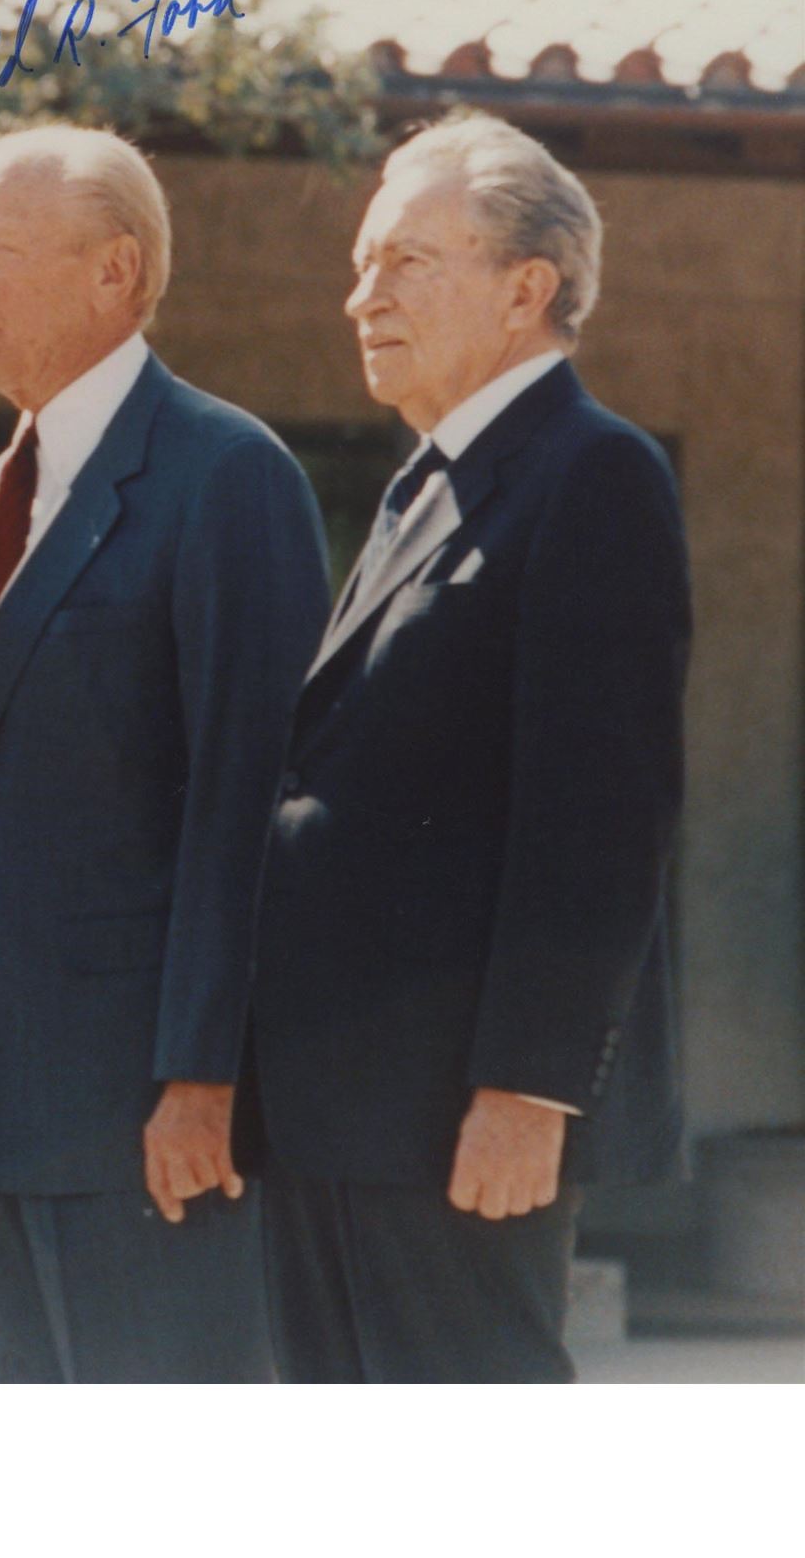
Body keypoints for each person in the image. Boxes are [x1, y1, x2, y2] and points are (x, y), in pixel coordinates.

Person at [239, 111, 690, 1383]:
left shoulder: (592, 475)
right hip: (343, 1106)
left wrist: (529, 1089)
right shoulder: (421, 486)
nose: (360, 296)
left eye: (405, 264)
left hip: (454, 1113)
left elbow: (602, 816)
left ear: (526, 289)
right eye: (362, 263)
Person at [0, 124, 330, 1382]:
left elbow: (248, 800)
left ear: (113, 272)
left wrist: (205, 1078)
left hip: (144, 1122)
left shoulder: (226, 473)